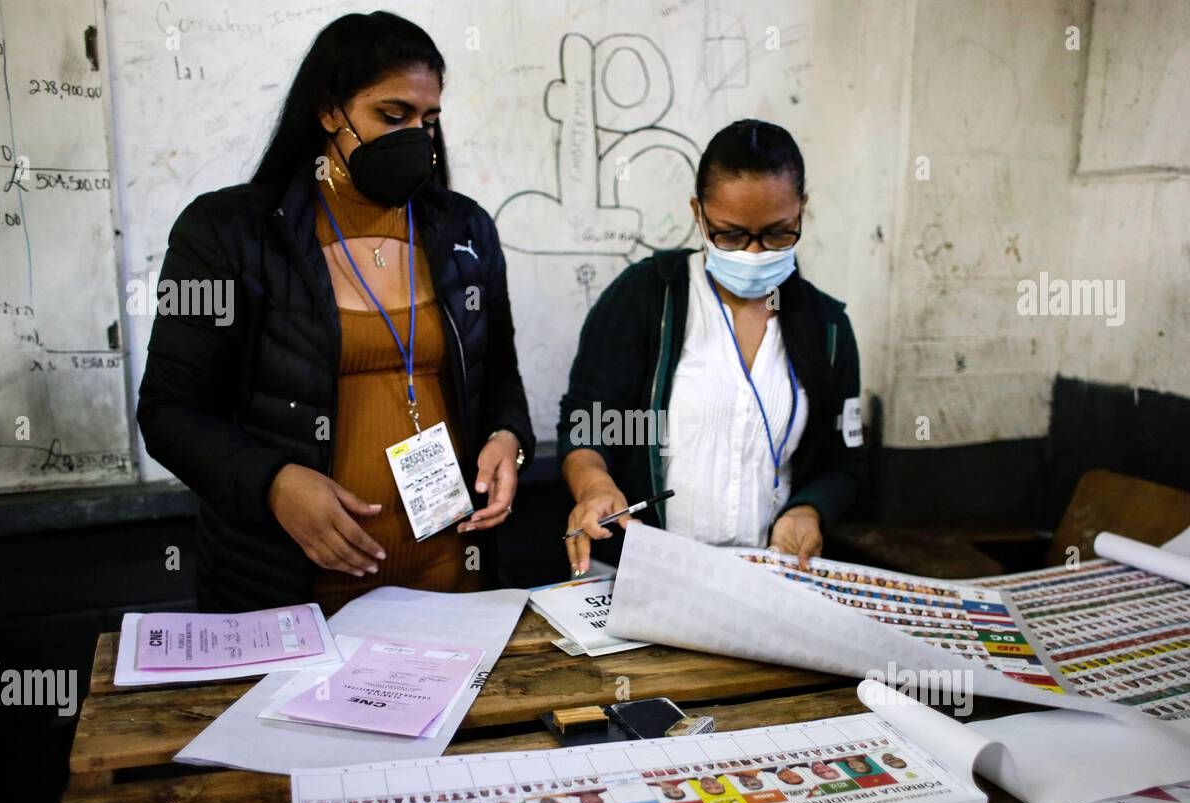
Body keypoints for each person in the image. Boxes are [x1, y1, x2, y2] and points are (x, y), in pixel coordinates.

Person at [139, 13, 532, 612]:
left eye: (428, 121)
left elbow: (497, 374)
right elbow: (169, 411)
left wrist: (507, 437)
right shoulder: (228, 232)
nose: (416, 139)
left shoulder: (463, 230)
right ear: (328, 111)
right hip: (288, 592)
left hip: (451, 581)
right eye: (392, 116)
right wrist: (273, 482)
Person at [558, 119, 864, 574]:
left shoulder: (828, 328)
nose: (755, 253)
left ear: (802, 210)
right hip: (643, 574)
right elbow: (589, 425)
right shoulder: (648, 296)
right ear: (698, 214)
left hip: (766, 577)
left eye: (778, 233)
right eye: (732, 234)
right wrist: (594, 485)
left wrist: (808, 510)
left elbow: (845, 463)